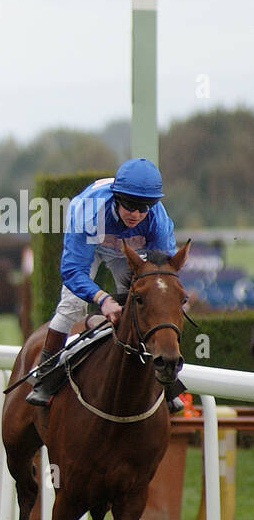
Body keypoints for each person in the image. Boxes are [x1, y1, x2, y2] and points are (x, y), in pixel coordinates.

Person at [26, 157, 185, 409]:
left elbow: (161, 276)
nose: (136, 214)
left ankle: (165, 380)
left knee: (144, 307)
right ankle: (45, 374)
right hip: (92, 247)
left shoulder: (158, 221)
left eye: (144, 207)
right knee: (71, 306)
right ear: (117, 198)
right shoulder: (87, 210)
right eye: (130, 205)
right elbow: (73, 271)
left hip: (128, 253)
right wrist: (103, 299)